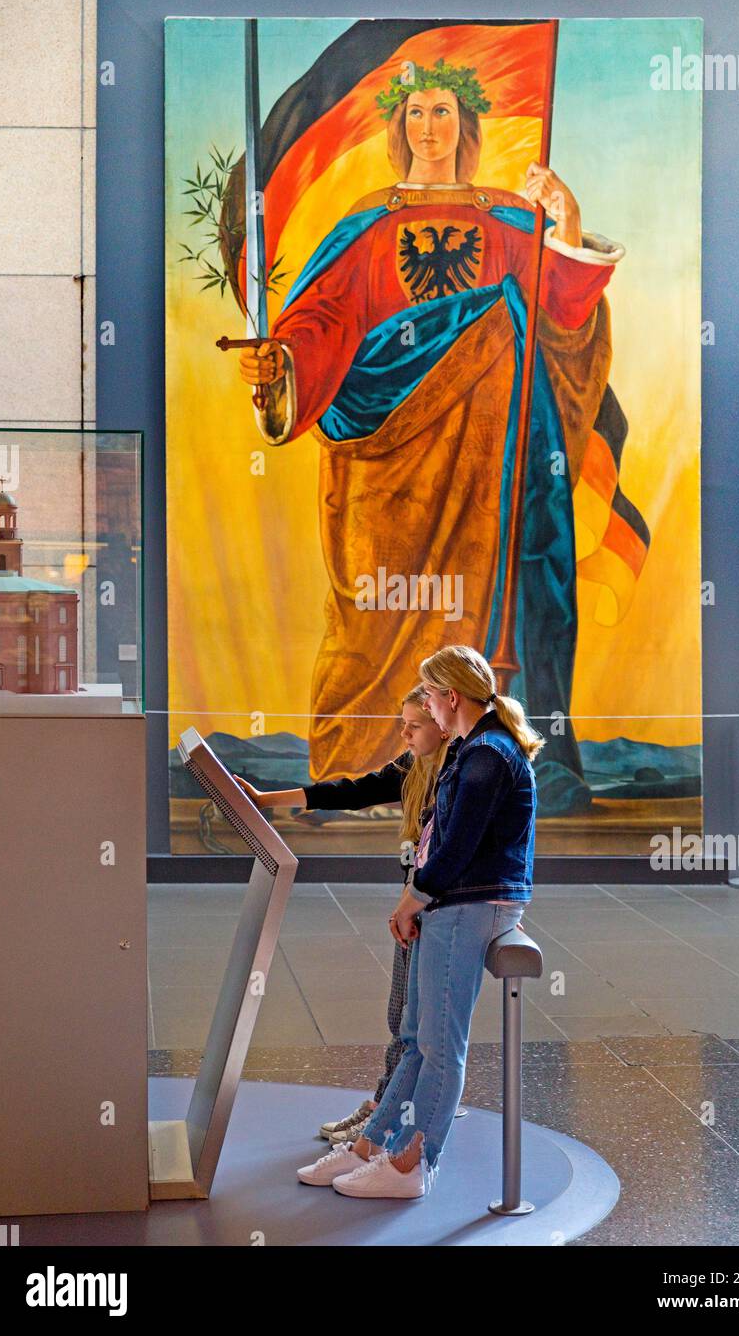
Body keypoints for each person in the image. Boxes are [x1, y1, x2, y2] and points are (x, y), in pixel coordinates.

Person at [236, 60, 631, 815]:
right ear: (398, 127)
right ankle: (370, 770)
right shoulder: (369, 225)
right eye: (416, 112)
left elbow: (563, 314)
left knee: (489, 608)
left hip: (490, 463)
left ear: (467, 127)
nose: (429, 127)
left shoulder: (510, 222)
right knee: (377, 607)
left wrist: (568, 227)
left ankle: (494, 769)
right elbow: (323, 323)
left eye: (444, 111)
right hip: (393, 462)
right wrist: (281, 361)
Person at [294, 643, 542, 1200]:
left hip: (470, 902)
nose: (426, 707)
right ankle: (374, 1146)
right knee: (414, 1038)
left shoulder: (486, 755)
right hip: (454, 901)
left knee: (438, 1043)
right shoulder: (471, 748)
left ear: (451, 696)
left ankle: (412, 1165)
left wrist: (414, 898)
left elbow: (457, 846)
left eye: (429, 695)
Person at [232, 684, 449, 1143]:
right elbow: (355, 791)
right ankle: (389, 1105)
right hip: (417, 900)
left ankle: (391, 1115)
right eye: (403, 724)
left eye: (414, 725)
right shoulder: (416, 766)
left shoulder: (460, 771)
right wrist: (268, 799)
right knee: (404, 1015)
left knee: (417, 1020)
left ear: (443, 722)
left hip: (436, 906)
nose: (404, 735)